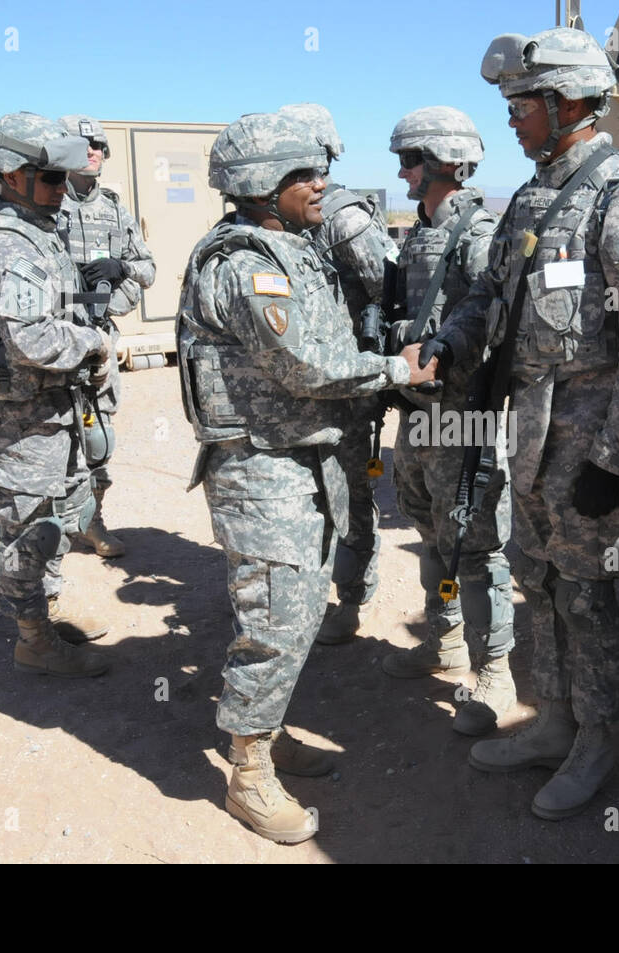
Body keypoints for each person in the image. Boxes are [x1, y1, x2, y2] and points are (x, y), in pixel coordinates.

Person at [424, 28, 619, 818]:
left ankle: (595, 740)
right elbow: (489, 299)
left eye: (522, 104)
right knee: (539, 585)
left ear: (569, 103)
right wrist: (450, 342)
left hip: (591, 447)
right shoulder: (530, 199)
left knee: (586, 598)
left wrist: (615, 457)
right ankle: (556, 722)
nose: (511, 120)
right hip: (532, 440)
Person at [175, 112, 435, 844]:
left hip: (297, 460)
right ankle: (249, 772)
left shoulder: (290, 246)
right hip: (260, 470)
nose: (320, 183)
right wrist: (396, 370)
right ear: (262, 184)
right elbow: (308, 366)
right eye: (302, 175)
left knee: (294, 612)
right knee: (273, 620)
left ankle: (269, 730)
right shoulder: (244, 265)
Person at [0, 112, 114, 676]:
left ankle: (48, 609)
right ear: (10, 175)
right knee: (29, 528)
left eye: (63, 177)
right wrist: (95, 344)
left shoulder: (37, 231)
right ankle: (33, 641)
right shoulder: (6, 244)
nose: (62, 188)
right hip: (23, 418)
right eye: (50, 177)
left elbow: (47, 312)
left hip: (53, 408)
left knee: (60, 517)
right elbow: (31, 338)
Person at [378, 106, 517, 737]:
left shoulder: (479, 234)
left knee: (475, 543)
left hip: (461, 416)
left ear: (444, 164)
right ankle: (446, 641)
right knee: (430, 530)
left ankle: (496, 671)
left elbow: (491, 318)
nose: (402, 173)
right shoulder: (420, 232)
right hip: (419, 414)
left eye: (410, 160)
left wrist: (444, 349)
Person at [278, 103, 399, 646]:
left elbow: (389, 291)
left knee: (350, 494)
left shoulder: (344, 218)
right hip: (291, 385)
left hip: (345, 386)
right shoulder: (270, 218)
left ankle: (350, 598)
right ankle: (301, 594)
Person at [56, 114, 157, 560]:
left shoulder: (115, 210)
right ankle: (50, 523)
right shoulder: (47, 206)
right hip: (52, 337)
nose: (92, 151)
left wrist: (121, 269)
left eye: (98, 144)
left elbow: (148, 269)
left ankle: (91, 520)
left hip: (98, 338)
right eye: (83, 144)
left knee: (98, 435)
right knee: (52, 431)